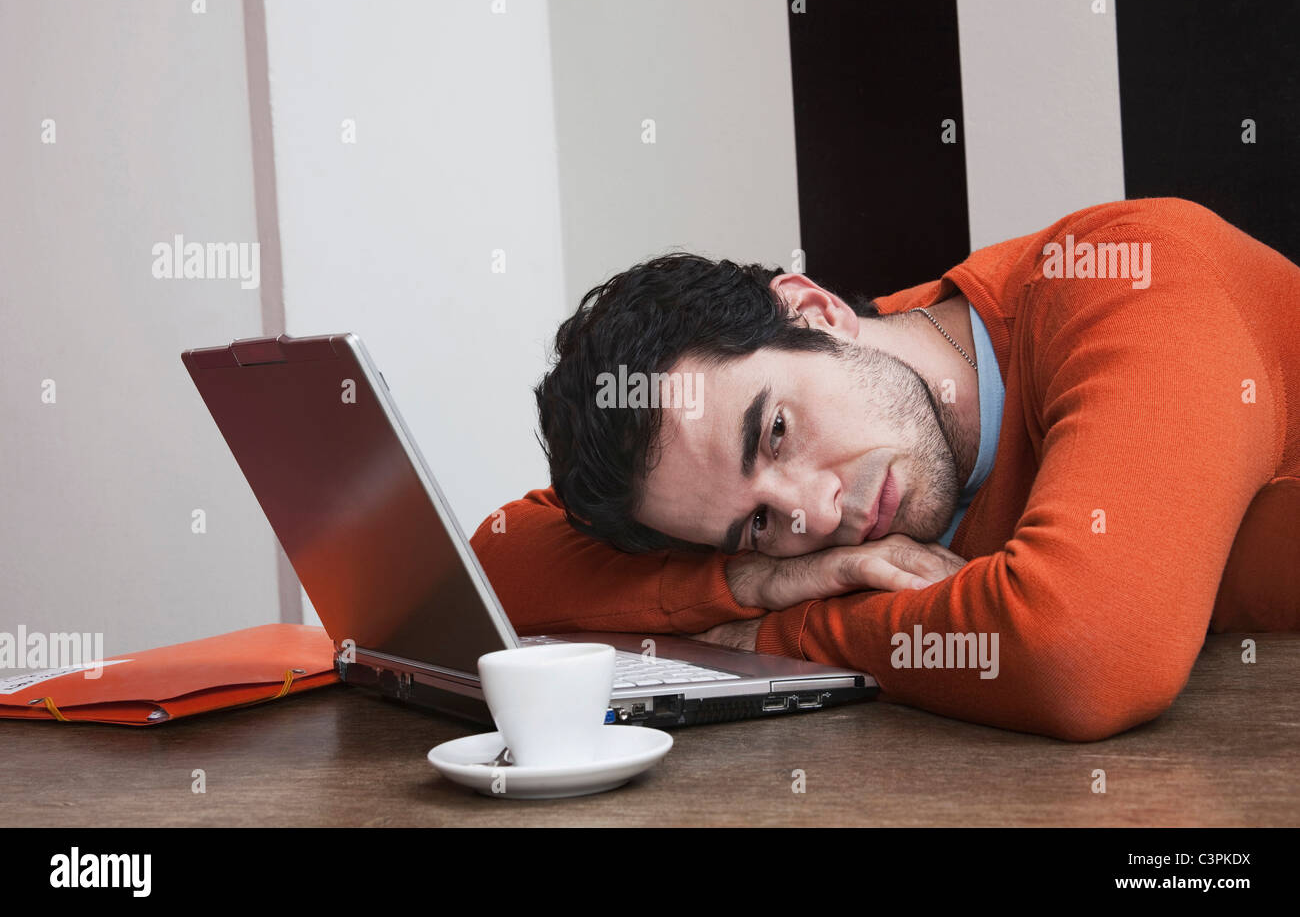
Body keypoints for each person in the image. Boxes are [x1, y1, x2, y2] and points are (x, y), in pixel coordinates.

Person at [470, 197, 1300, 741]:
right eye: (756, 527)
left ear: (817, 311)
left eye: (778, 433)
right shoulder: (808, 438)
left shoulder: (1130, 275)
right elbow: (498, 568)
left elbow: (1080, 651)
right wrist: (759, 579)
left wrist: (773, 636)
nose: (816, 513)